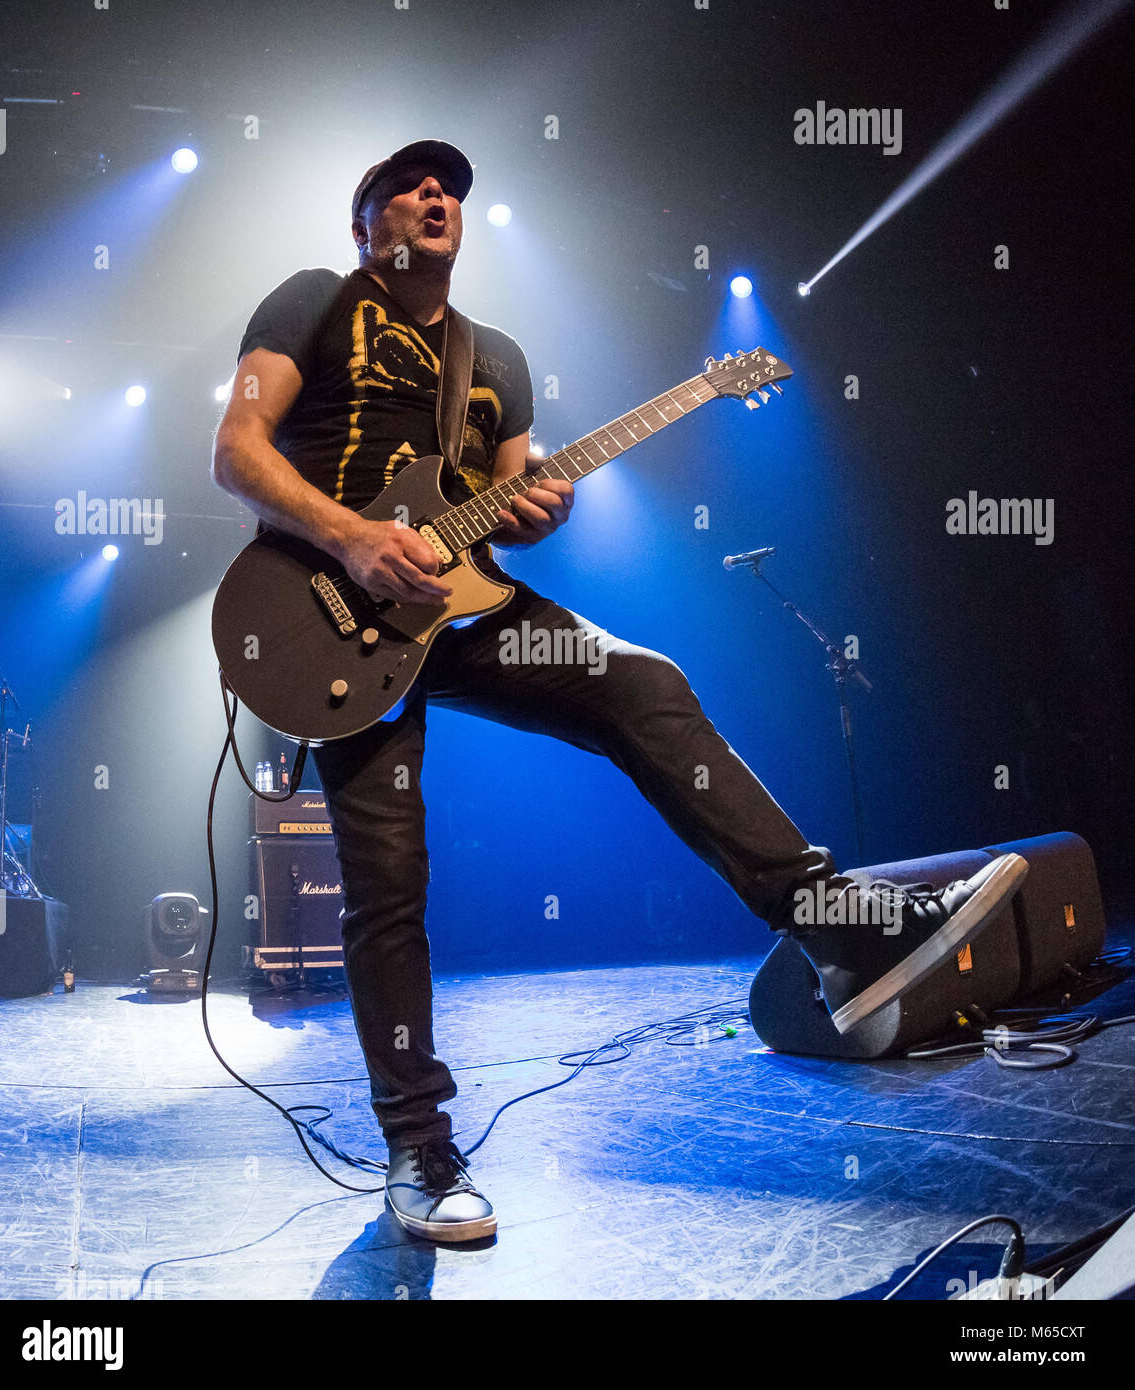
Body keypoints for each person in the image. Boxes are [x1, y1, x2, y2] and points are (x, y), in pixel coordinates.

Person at [212, 139, 1026, 1244]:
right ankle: (417, 1148)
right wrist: (353, 539)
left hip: (471, 607)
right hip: (330, 612)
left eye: (449, 184)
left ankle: (833, 924)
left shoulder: (490, 354)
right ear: (365, 224)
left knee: (646, 682)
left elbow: (518, 489)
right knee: (387, 879)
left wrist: (542, 506)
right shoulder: (311, 301)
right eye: (405, 185)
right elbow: (236, 449)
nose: (434, 194)